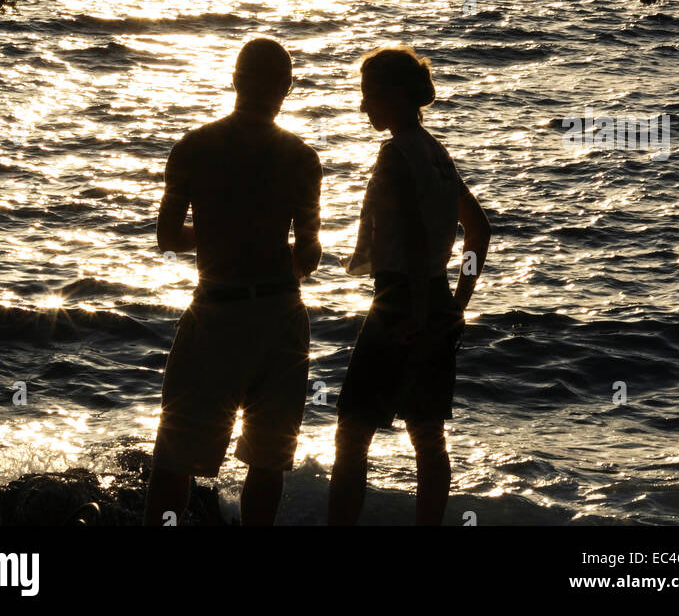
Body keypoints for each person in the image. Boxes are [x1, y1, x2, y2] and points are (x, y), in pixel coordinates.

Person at [143, 38, 322, 527]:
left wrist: (223, 234)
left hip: (217, 314)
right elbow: (308, 254)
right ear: (287, 87)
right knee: (267, 458)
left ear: (235, 80)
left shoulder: (191, 148)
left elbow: (167, 237)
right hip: (280, 316)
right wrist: (268, 244)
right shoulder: (302, 159)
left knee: (175, 457)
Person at [328, 46, 491, 527]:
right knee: (427, 432)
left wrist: (418, 310)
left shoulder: (396, 152)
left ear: (396, 96)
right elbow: (479, 231)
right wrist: (456, 304)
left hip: (401, 299)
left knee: (353, 431)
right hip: (436, 298)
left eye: (369, 95)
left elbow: (418, 236)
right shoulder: (437, 154)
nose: (363, 107)